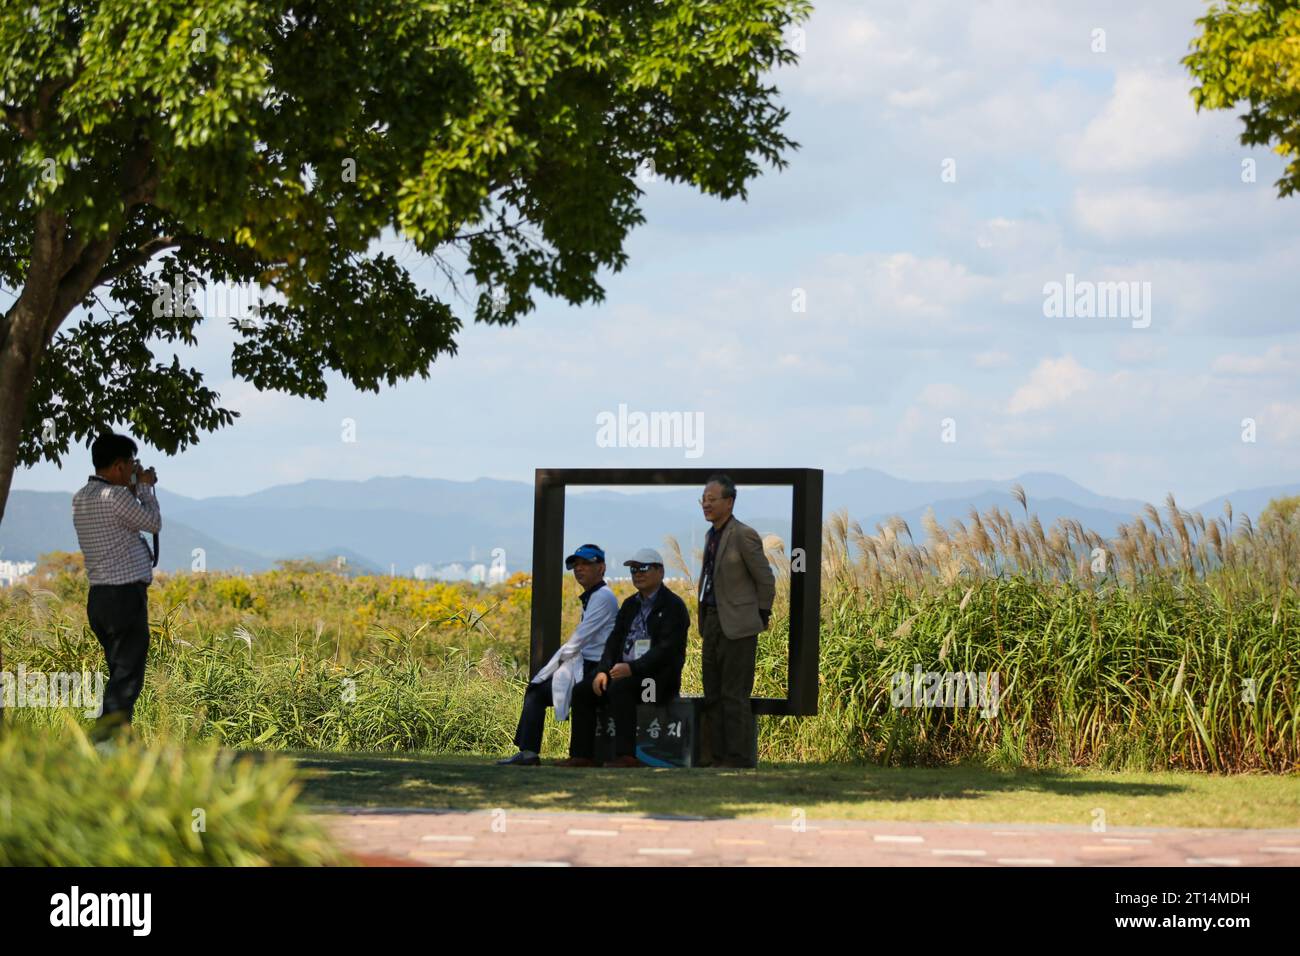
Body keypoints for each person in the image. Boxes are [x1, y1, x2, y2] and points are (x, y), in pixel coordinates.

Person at [71, 433, 162, 747]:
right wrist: (145, 488)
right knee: (128, 674)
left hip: (99, 597)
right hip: (124, 596)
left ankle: (118, 737)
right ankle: (103, 739)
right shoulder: (117, 497)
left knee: (120, 670)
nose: (135, 469)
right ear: (119, 466)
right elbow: (153, 523)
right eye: (132, 464)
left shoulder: (81, 497)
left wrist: (133, 487)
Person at [497, 544, 619, 766]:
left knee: (537, 690)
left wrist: (546, 672)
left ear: (601, 568)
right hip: (586, 665)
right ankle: (528, 752)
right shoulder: (594, 596)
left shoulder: (602, 597)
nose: (579, 569)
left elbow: (577, 641)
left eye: (586, 564)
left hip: (597, 668)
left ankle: (536, 753)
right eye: (576, 565)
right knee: (536, 692)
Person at [569, 548, 690, 768]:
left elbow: (666, 651)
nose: (638, 573)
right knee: (582, 691)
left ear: (660, 571)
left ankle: (626, 755)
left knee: (621, 688)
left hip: (657, 682)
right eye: (633, 569)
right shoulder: (630, 605)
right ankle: (582, 755)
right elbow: (613, 642)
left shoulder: (673, 606)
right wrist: (602, 671)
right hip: (624, 674)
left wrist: (633, 668)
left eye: (644, 568)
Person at [697, 473, 775, 768]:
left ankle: (738, 756)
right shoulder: (711, 535)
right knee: (712, 692)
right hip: (712, 620)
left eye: (712, 499)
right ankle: (716, 756)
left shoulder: (743, 534)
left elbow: (765, 579)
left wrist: (761, 614)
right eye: (703, 499)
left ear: (729, 502)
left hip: (739, 625)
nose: (706, 504)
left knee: (734, 693)